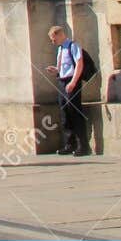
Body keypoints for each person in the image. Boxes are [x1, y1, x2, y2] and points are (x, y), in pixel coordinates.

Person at [44, 25, 90, 156]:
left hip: (71, 81)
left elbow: (79, 64)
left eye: (53, 39)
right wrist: (56, 70)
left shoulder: (73, 46)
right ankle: (70, 144)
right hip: (62, 81)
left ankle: (83, 146)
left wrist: (73, 82)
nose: (53, 42)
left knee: (75, 112)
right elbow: (64, 66)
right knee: (65, 113)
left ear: (59, 34)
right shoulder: (60, 49)